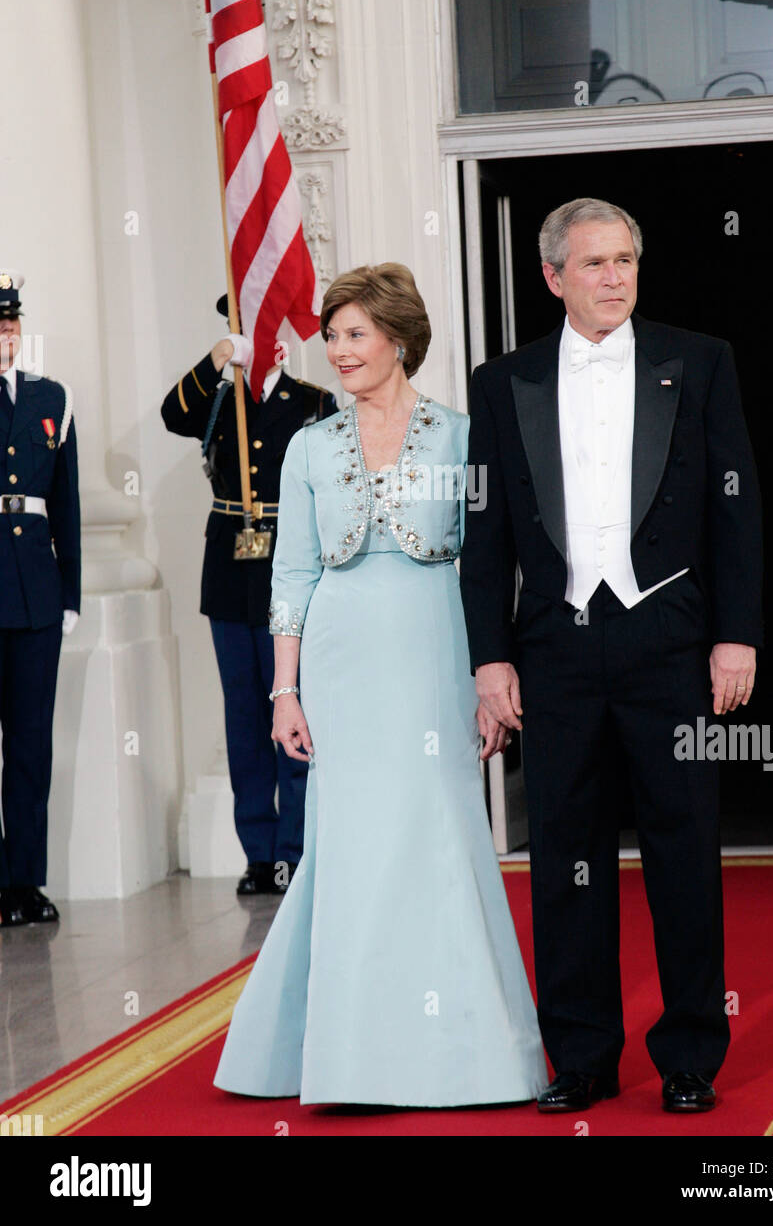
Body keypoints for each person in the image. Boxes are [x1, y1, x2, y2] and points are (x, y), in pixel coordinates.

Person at [213, 263, 546, 1105]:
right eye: (332, 336)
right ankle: (348, 1059)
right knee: (350, 848)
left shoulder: (462, 435)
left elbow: (492, 565)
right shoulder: (307, 445)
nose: (338, 350)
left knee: (437, 838)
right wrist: (283, 691)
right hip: (342, 659)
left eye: (355, 334)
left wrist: (489, 676)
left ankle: (464, 1056)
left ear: (400, 339)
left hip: (435, 650)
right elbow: (291, 574)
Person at [459, 198, 763, 1115]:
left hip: (667, 642)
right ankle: (583, 1057)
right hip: (552, 649)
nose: (616, 277)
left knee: (683, 849)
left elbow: (735, 509)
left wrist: (736, 633)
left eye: (626, 259)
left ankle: (689, 1058)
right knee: (564, 857)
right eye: (595, 264)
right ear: (552, 277)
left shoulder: (698, 360)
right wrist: (490, 658)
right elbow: (485, 530)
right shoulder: (501, 381)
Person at [161, 297, 337, 895]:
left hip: (291, 570)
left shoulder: (314, 404)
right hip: (231, 575)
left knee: (291, 706)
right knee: (245, 718)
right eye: (243, 328)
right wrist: (217, 360)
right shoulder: (218, 397)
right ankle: (258, 853)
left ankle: (295, 848)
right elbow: (170, 413)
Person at [0, 271, 80, 928]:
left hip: (35, 599)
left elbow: (68, 505)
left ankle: (25, 882)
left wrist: (71, 592)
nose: (5, 333)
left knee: (31, 745)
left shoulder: (52, 398)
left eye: (10, 323)